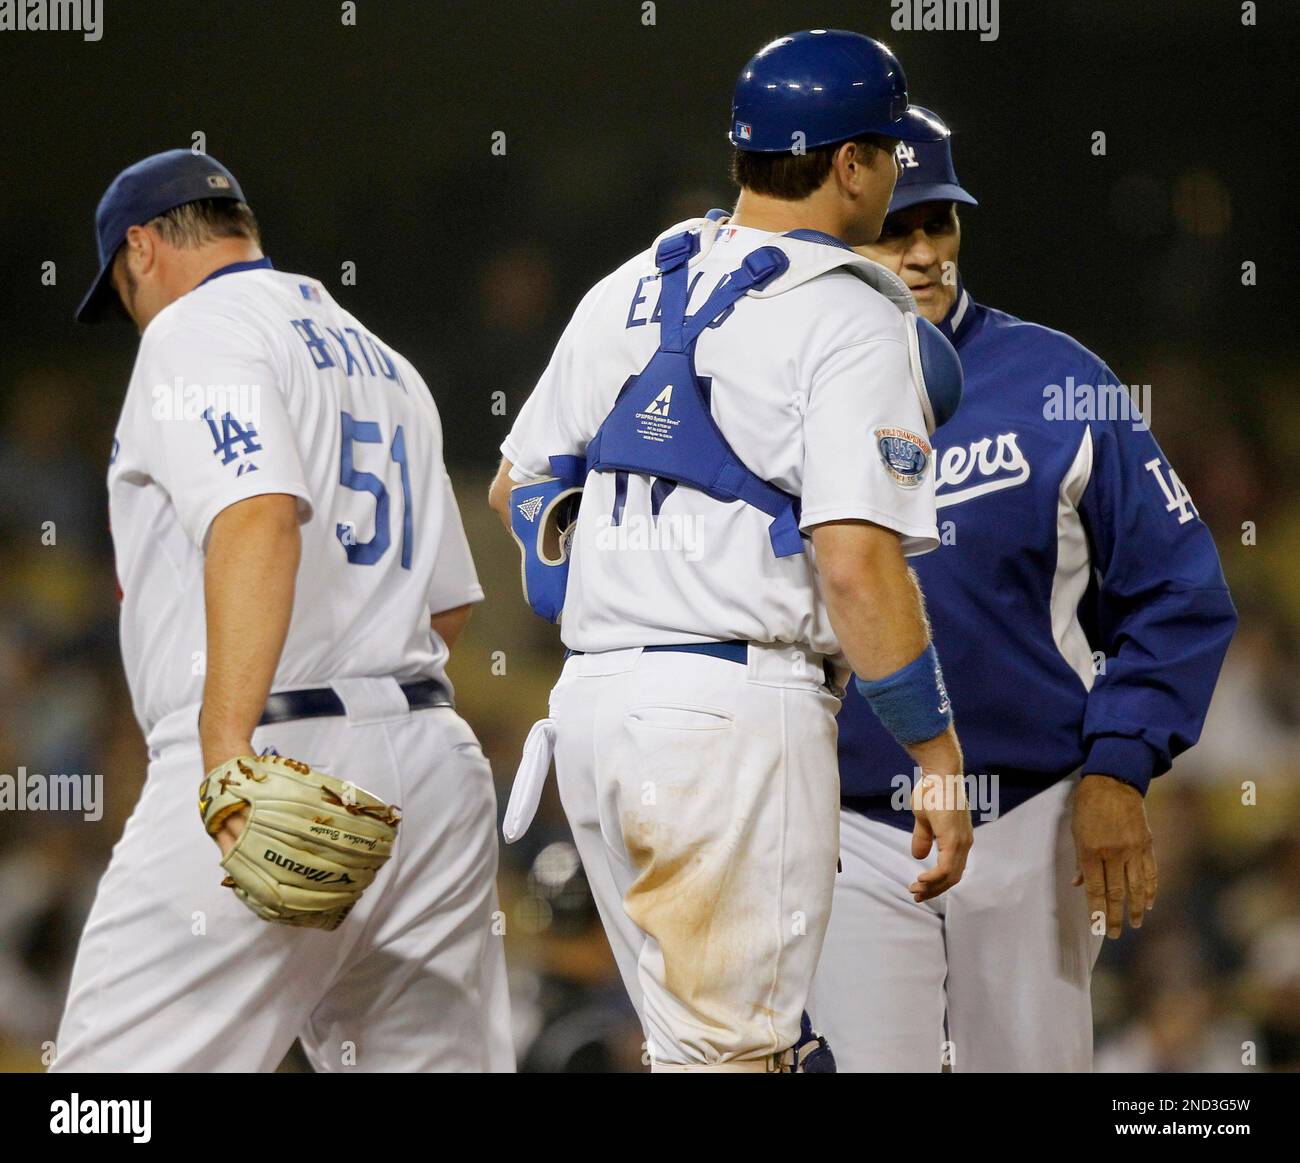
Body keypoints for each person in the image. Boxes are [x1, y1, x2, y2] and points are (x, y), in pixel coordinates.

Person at [490, 31, 971, 1072]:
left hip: (592, 712)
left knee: (713, 1051)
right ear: (850, 163)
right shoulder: (850, 313)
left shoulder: (629, 284)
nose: (893, 171)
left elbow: (518, 485)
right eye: (887, 150)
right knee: (737, 1057)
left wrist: (597, 582)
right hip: (727, 718)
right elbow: (852, 558)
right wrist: (933, 749)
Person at [52, 149, 512, 1072]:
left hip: (269, 747)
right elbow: (448, 607)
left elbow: (257, 516)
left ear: (141, 249)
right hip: (431, 761)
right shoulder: (384, 358)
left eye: (123, 290)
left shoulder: (192, 332)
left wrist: (229, 752)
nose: (134, 316)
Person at [807, 111, 1238, 1072]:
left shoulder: (1057, 383)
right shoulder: (782, 393)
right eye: (894, 227)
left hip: (1032, 813)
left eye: (940, 224)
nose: (922, 252)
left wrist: (1121, 765)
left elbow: (1178, 591)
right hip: (854, 825)